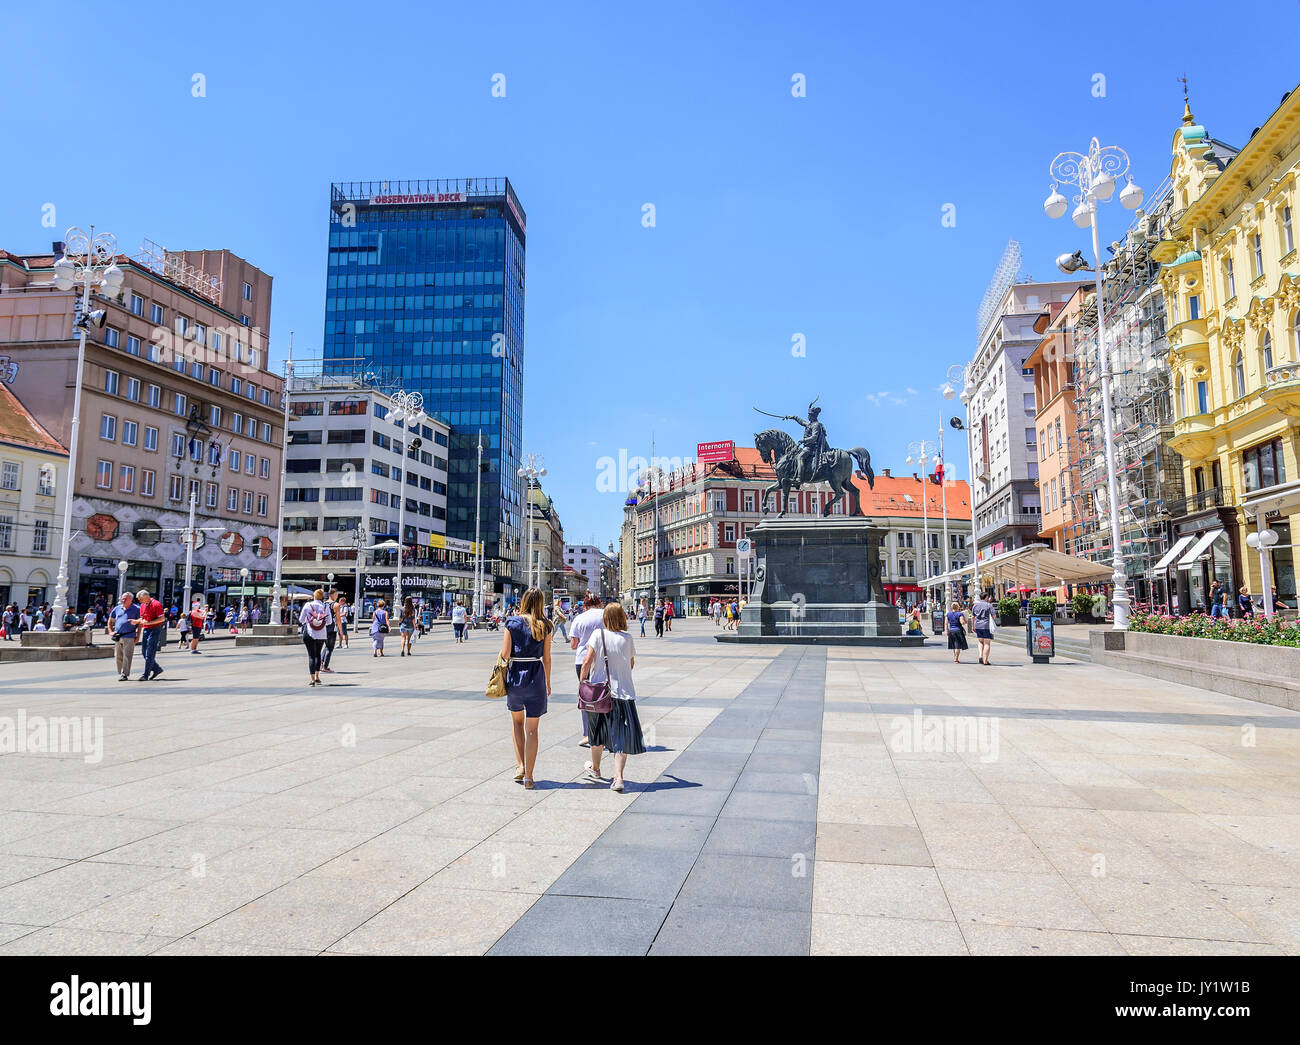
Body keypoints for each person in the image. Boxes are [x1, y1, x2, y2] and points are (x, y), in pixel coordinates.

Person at [580, 601, 645, 793]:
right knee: (621, 736)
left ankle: (596, 768)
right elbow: (631, 664)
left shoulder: (598, 635)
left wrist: (583, 681)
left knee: (597, 732)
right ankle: (618, 777)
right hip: (623, 693)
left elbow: (586, 661)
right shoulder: (628, 638)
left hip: (600, 694)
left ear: (605, 618)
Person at [501, 587, 553, 790]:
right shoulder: (545, 625)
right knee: (532, 729)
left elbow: (505, 654)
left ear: (523, 601)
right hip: (536, 676)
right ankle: (529, 777)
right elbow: (547, 659)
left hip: (516, 677)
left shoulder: (512, 623)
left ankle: (520, 765)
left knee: (516, 723)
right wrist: (547, 682)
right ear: (540, 603)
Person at [569, 593, 606, 747]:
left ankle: (587, 734)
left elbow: (573, 644)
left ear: (584, 605)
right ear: (598, 603)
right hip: (603, 659)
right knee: (604, 694)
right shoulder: (605, 614)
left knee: (585, 697)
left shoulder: (579, 618)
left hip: (582, 659)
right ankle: (604, 732)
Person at [106, 591, 140, 681]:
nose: (123, 600)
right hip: (118, 636)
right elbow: (110, 620)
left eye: (125, 599)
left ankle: (124, 674)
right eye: (122, 598)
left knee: (127, 656)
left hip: (129, 635)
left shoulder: (136, 609)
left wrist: (138, 636)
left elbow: (140, 623)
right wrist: (110, 631)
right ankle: (120, 671)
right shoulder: (117, 608)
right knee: (118, 656)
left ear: (131, 600)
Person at [299, 587, 330, 686]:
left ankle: (312, 680)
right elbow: (329, 622)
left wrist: (309, 621)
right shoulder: (326, 606)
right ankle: (317, 677)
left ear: (314, 596)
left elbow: (301, 619)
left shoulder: (308, 605)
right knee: (318, 655)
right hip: (321, 634)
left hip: (309, 633)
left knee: (311, 656)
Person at [135, 589, 166, 681]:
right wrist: (136, 622)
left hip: (154, 629)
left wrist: (149, 623)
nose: (140, 601)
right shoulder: (142, 605)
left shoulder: (156, 604)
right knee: (144, 652)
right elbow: (142, 618)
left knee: (149, 653)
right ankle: (156, 669)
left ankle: (146, 674)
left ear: (147, 597)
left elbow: (162, 619)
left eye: (141, 599)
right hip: (146, 629)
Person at [970, 590, 996, 666]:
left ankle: (980, 655)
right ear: (986, 597)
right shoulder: (989, 605)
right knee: (987, 643)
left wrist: (972, 626)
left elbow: (972, 617)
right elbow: (994, 615)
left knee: (980, 641)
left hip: (977, 625)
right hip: (986, 626)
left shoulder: (975, 605)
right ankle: (985, 660)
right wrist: (992, 621)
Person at [320, 591, 340, 673]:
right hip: (331, 628)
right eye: (337, 595)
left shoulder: (323, 603)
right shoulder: (336, 605)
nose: (337, 596)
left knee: (326, 646)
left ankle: (320, 663)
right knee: (330, 648)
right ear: (334, 594)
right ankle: (325, 666)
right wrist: (341, 631)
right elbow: (338, 619)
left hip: (323, 627)